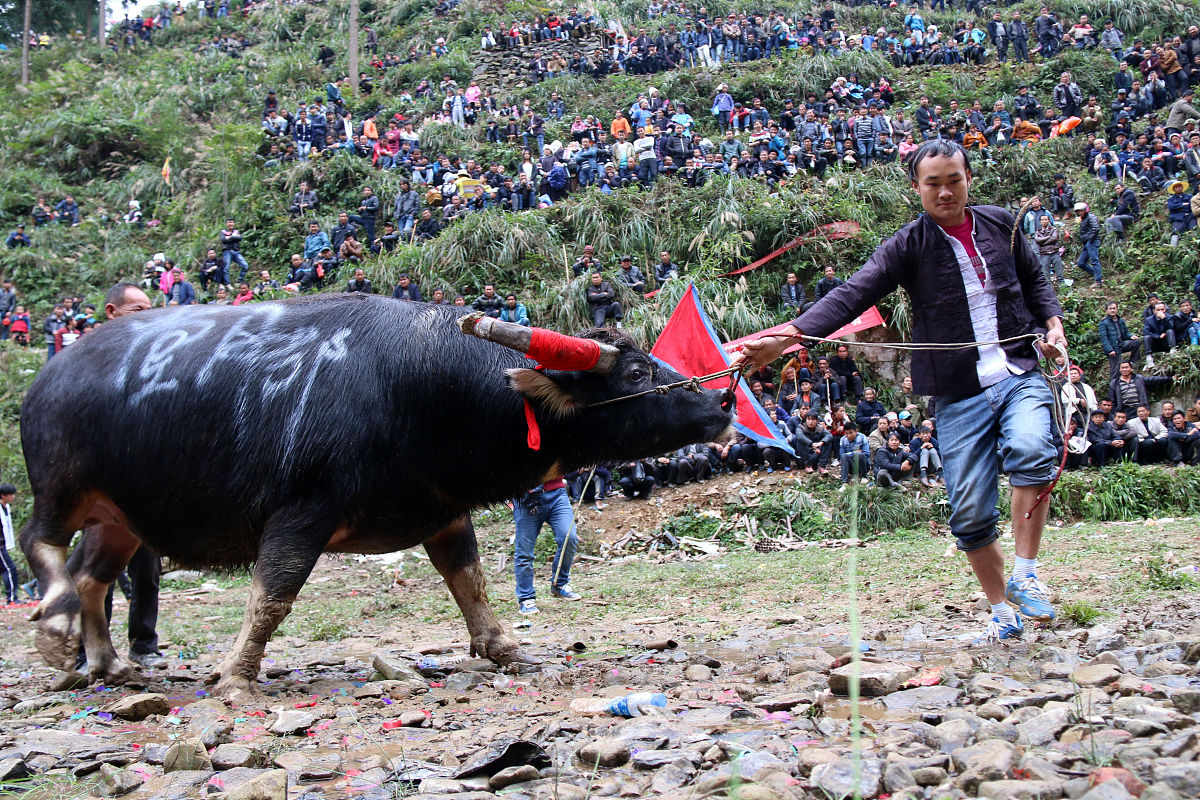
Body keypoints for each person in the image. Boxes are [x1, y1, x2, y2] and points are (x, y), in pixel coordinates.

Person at [738, 139, 1067, 645]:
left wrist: (1053, 324)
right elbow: (853, 293)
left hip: (1019, 370)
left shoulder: (1002, 223)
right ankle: (1001, 608)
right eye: (932, 183)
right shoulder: (907, 245)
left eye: (953, 179)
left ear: (968, 179)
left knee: (1029, 448)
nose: (944, 191)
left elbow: (1034, 278)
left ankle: (1026, 571)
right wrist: (791, 336)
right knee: (970, 511)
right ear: (916, 187)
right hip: (958, 391)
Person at [512, 477, 581, 615]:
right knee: (524, 551)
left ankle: (559, 584)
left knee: (569, 538)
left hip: (557, 493)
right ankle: (526, 598)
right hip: (526, 498)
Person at [1099, 302, 1141, 380]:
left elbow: (1125, 333)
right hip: (1113, 349)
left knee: (1136, 342)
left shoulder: (1120, 320)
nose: (1112, 310)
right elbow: (1104, 338)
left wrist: (1131, 336)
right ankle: (1114, 387)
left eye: (1114, 308)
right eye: (1110, 309)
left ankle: (1133, 362)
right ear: (1106, 311)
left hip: (1121, 344)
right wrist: (1110, 350)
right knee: (1115, 370)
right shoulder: (1103, 323)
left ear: (1117, 309)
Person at [1074, 202, 1102, 285]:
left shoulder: (1091, 217)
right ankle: (1097, 274)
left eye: (1081, 211)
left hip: (1091, 242)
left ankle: (1098, 281)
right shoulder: (1083, 219)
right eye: (1078, 211)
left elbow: (1096, 229)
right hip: (1087, 243)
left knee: (1094, 261)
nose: (1079, 213)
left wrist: (1090, 240)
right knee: (1081, 263)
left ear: (1085, 210)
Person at [837, 419, 870, 485]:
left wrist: (852, 453)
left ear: (856, 431)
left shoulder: (862, 437)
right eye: (846, 433)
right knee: (844, 456)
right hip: (851, 465)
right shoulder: (843, 440)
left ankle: (864, 477)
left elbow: (866, 453)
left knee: (860, 455)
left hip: (863, 465)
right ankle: (844, 482)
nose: (849, 435)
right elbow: (842, 455)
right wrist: (854, 453)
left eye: (851, 433)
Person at [0, 484, 17, 605]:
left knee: (6, 569)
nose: (13, 497)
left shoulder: (7, 508)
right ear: (3, 495)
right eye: (11, 494)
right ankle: (12, 598)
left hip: (4, 544)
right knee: (10, 569)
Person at [219, 218, 250, 283]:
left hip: (236, 251)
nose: (230, 224)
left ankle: (239, 281)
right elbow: (223, 240)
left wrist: (230, 237)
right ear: (226, 224)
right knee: (226, 268)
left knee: (245, 266)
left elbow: (240, 238)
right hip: (227, 251)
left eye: (231, 222)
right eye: (229, 222)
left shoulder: (236, 231)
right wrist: (234, 238)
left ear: (234, 223)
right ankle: (227, 283)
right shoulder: (222, 231)